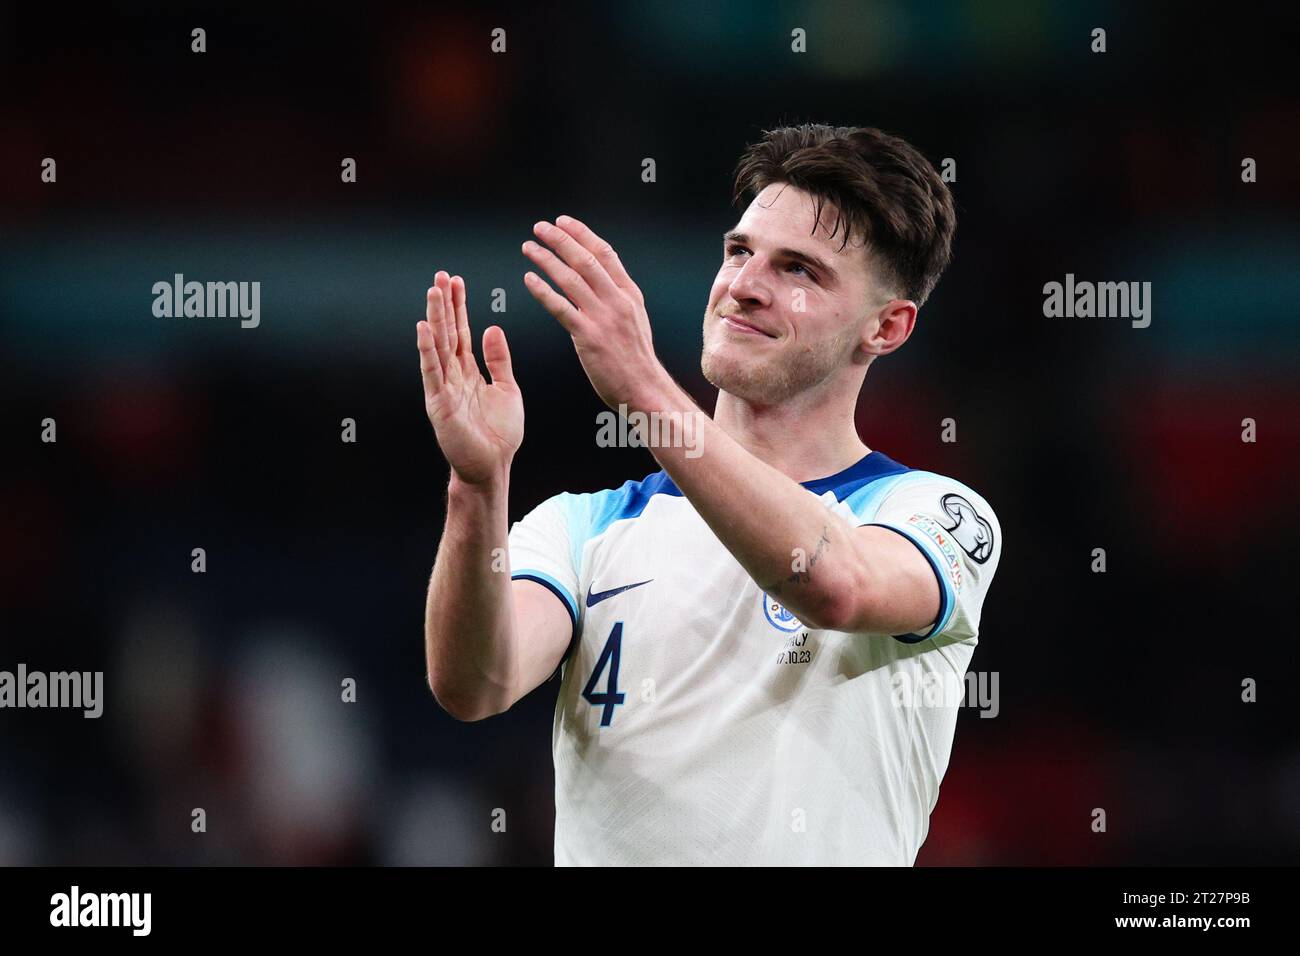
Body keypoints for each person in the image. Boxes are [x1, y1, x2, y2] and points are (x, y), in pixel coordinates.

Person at [418, 124, 1002, 865]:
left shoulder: (931, 514)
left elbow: (836, 587)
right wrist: (476, 485)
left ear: (886, 326)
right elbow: (475, 683)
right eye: (738, 252)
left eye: (800, 270)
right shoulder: (585, 527)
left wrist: (640, 387)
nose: (744, 286)